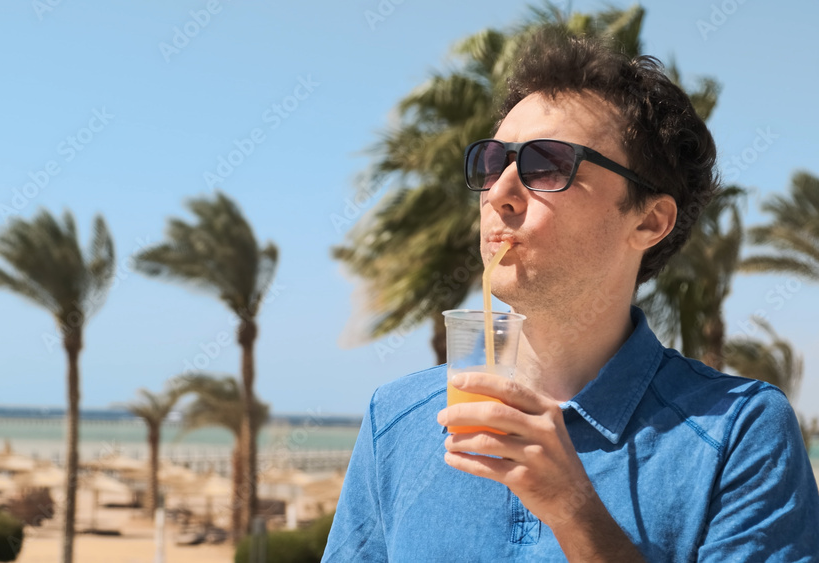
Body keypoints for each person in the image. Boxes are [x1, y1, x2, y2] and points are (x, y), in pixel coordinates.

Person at [322, 29, 819, 562]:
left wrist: (573, 508)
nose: (499, 193)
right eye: (492, 162)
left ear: (649, 221)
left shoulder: (739, 433)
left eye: (547, 165)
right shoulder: (395, 419)